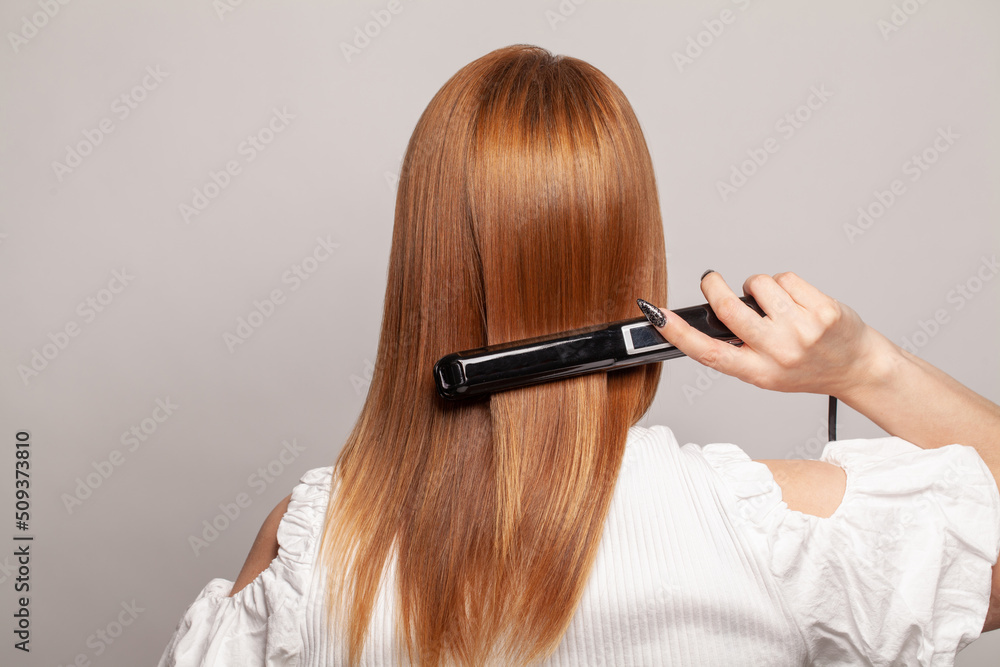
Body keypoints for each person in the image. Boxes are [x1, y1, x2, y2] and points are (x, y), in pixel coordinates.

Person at [157, 44, 1000, 666]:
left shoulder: (305, 553)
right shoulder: (773, 530)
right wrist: (867, 368)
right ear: (637, 261)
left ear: (420, 272)